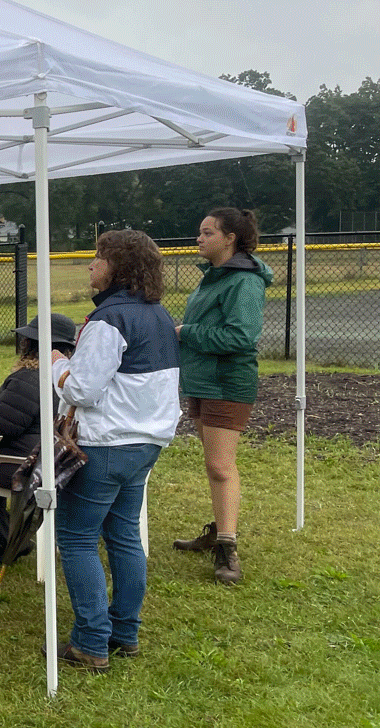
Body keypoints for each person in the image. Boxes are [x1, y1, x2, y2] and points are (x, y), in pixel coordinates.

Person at [49, 230, 180, 671]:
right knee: (123, 535)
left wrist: (58, 365)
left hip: (106, 445)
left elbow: (83, 389)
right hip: (146, 443)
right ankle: (124, 631)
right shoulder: (159, 315)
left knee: (77, 538)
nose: (91, 265)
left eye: (98, 257)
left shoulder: (110, 320)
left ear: (117, 267)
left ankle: (90, 642)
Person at [172, 208, 272, 585]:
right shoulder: (213, 277)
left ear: (230, 238)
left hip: (227, 383)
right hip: (202, 381)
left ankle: (227, 548)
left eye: (208, 232)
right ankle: (219, 528)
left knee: (220, 465)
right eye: (200, 232)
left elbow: (241, 337)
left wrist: (185, 332)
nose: (199, 238)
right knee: (214, 463)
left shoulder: (244, 281)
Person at [0, 313, 79, 563]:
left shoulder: (28, 378)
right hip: (61, 462)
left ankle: (3, 540)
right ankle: (1, 538)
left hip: (26, 466)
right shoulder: (72, 379)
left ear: (30, 344)